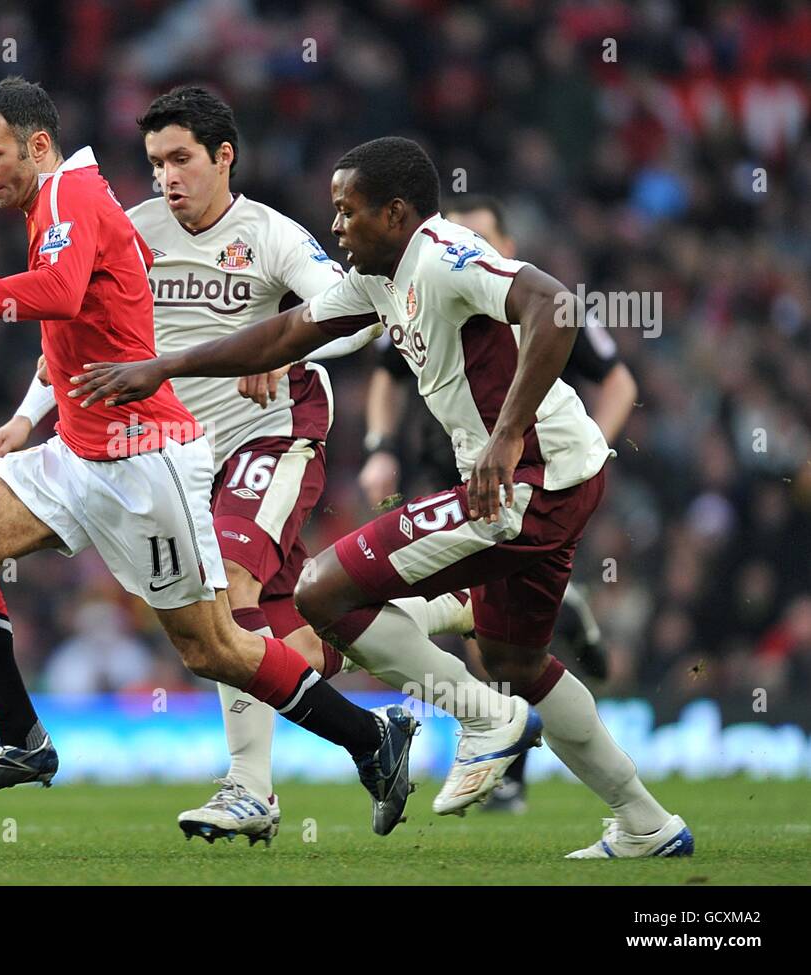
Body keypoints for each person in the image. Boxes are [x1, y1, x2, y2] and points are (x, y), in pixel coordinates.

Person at [70, 136, 691, 858]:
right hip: (545, 479)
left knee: (323, 591)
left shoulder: (442, 254)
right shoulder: (377, 277)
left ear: (396, 214)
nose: (335, 227)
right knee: (519, 660)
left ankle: (483, 718)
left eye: (347, 212)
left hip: (531, 479)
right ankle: (646, 823)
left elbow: (552, 304)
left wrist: (508, 435)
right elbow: (288, 331)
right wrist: (166, 365)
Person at [0, 78, 420, 836]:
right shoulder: (89, 209)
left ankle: (372, 737)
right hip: (80, 450)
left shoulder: (75, 197)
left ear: (37, 147)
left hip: (150, 459)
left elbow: (57, 293)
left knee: (216, 645)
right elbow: (90, 328)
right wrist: (24, 419)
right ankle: (22, 740)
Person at [359, 193, 639, 814]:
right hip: (444, 470)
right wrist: (379, 447)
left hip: (519, 479)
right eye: (460, 233)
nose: (465, 244)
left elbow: (617, 377)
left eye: (480, 236)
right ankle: (636, 816)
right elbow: (384, 372)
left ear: (506, 249)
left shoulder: (516, 297)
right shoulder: (421, 285)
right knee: (505, 648)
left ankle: (492, 731)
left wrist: (591, 447)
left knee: (363, 597)